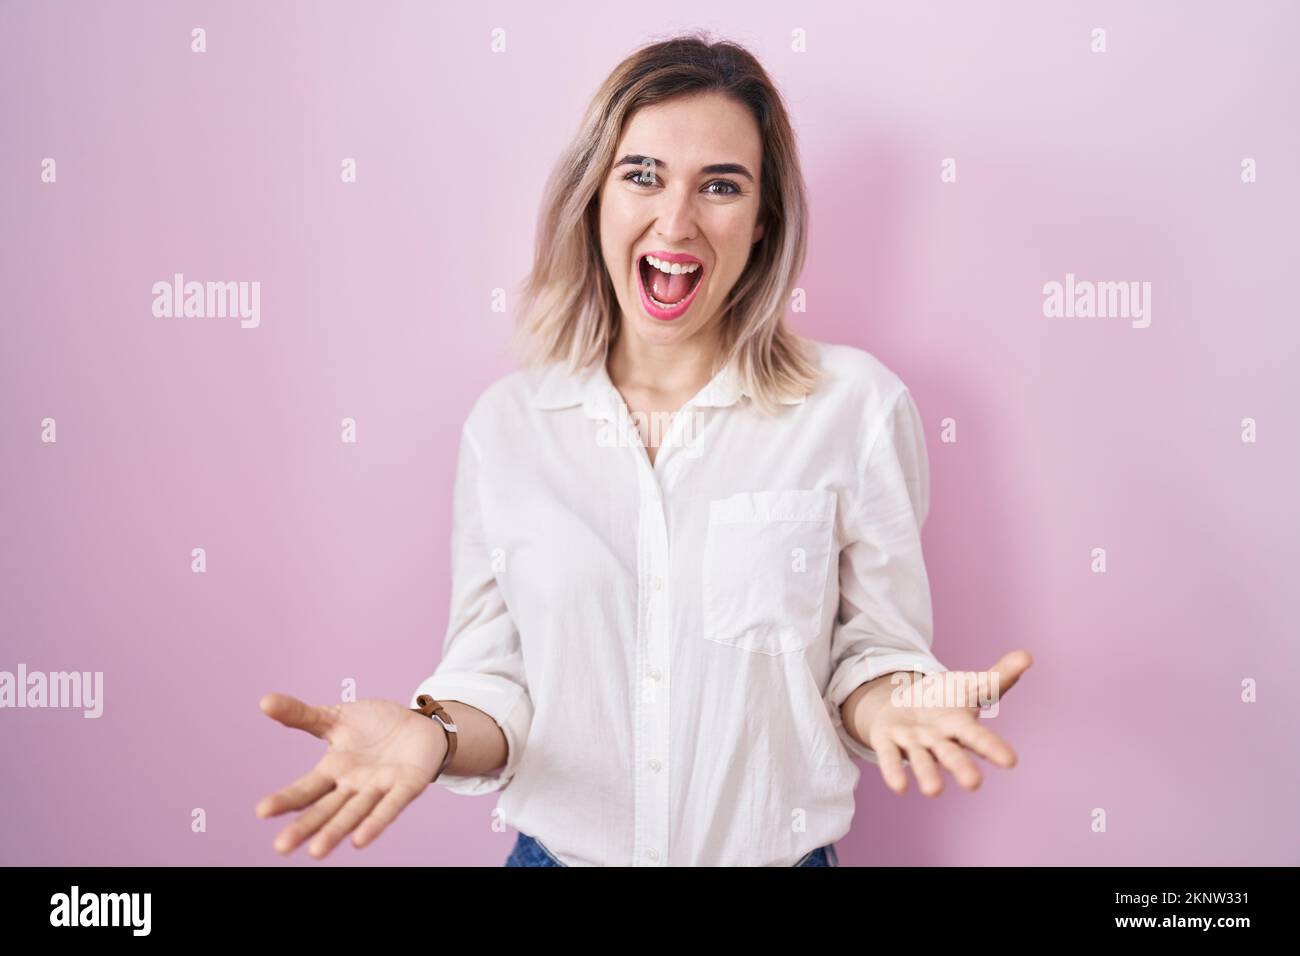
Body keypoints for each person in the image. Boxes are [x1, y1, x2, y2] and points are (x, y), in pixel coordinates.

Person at [256, 31, 1032, 867]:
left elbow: (872, 655)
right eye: (642, 175)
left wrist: (891, 707)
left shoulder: (855, 408)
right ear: (595, 196)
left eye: (721, 186)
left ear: (763, 221)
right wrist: (432, 734)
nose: (677, 220)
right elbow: (494, 685)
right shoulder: (508, 427)